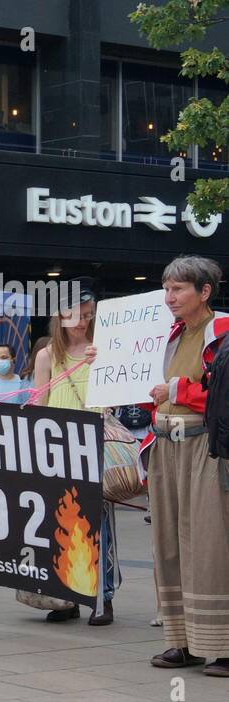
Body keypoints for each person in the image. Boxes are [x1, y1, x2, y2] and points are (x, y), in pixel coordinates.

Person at [146, 256, 229, 676]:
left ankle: (222, 643)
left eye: (178, 289)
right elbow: (154, 392)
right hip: (166, 444)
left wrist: (177, 389)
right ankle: (183, 640)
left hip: (203, 446)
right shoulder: (171, 335)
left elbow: (222, 397)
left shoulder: (224, 331)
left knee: (210, 542)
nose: (170, 297)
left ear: (205, 291)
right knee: (169, 541)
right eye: (167, 288)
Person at [31, 277, 115, 625]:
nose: (82, 321)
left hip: (94, 442)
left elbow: (118, 396)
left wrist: (105, 362)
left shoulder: (105, 348)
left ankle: (103, 596)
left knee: (99, 525)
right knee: (60, 520)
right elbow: (37, 403)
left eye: (88, 314)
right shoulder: (48, 355)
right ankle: (66, 595)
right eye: (76, 314)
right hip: (57, 446)